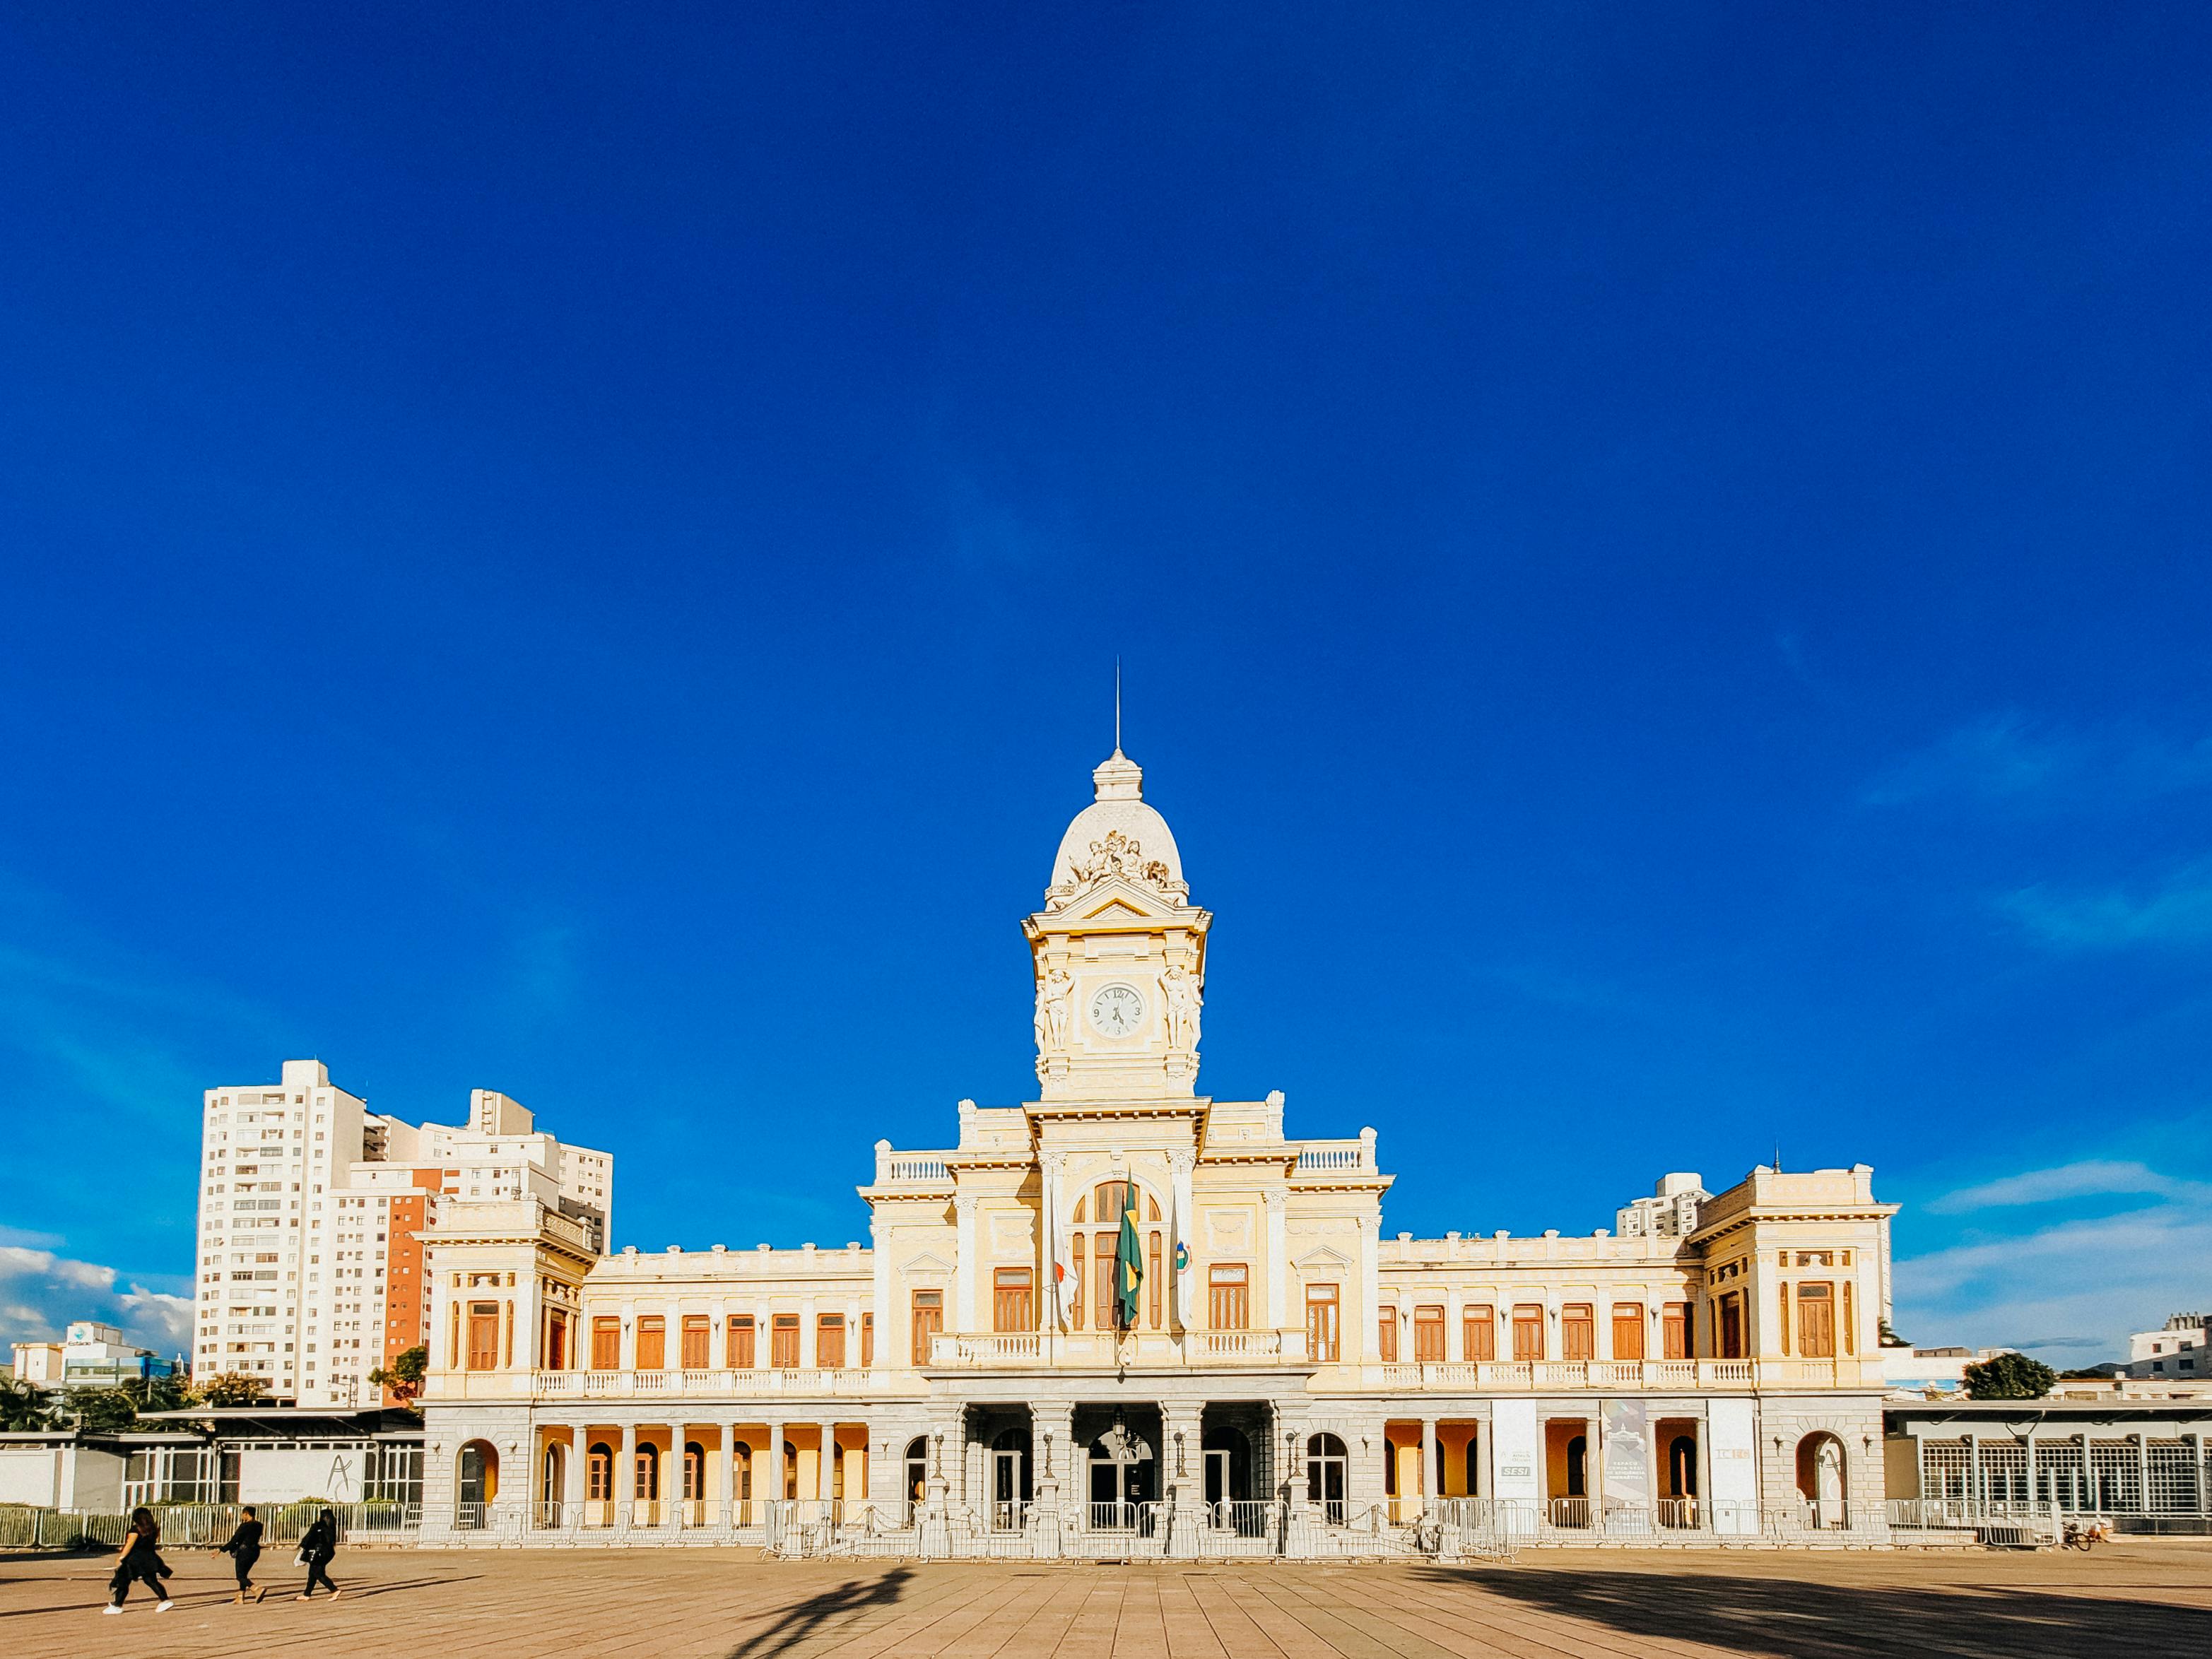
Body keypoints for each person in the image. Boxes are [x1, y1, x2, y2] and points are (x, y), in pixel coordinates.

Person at [104, 1507, 172, 1614]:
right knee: (150, 1580)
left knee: (124, 1581)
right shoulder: (153, 1529)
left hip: (134, 1560)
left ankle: (117, 1605)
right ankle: (165, 1600)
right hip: (149, 1558)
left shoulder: (136, 1530)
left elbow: (130, 1544)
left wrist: (121, 1557)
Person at [219, 1505, 266, 1602]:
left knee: (240, 1576)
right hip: (255, 1551)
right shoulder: (259, 1525)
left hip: (244, 1551)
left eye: (243, 1514)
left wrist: (221, 1549)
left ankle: (256, 1589)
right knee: (244, 1574)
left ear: (246, 1514)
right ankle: (240, 1597)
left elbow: (234, 1540)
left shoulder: (244, 1526)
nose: (242, 1516)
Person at [297, 1506, 341, 1600]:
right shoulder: (332, 1527)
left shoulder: (318, 1526)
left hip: (318, 1553)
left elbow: (309, 1538)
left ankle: (334, 1590)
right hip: (328, 1552)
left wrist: (302, 1546)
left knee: (318, 1573)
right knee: (312, 1573)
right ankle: (307, 1594)